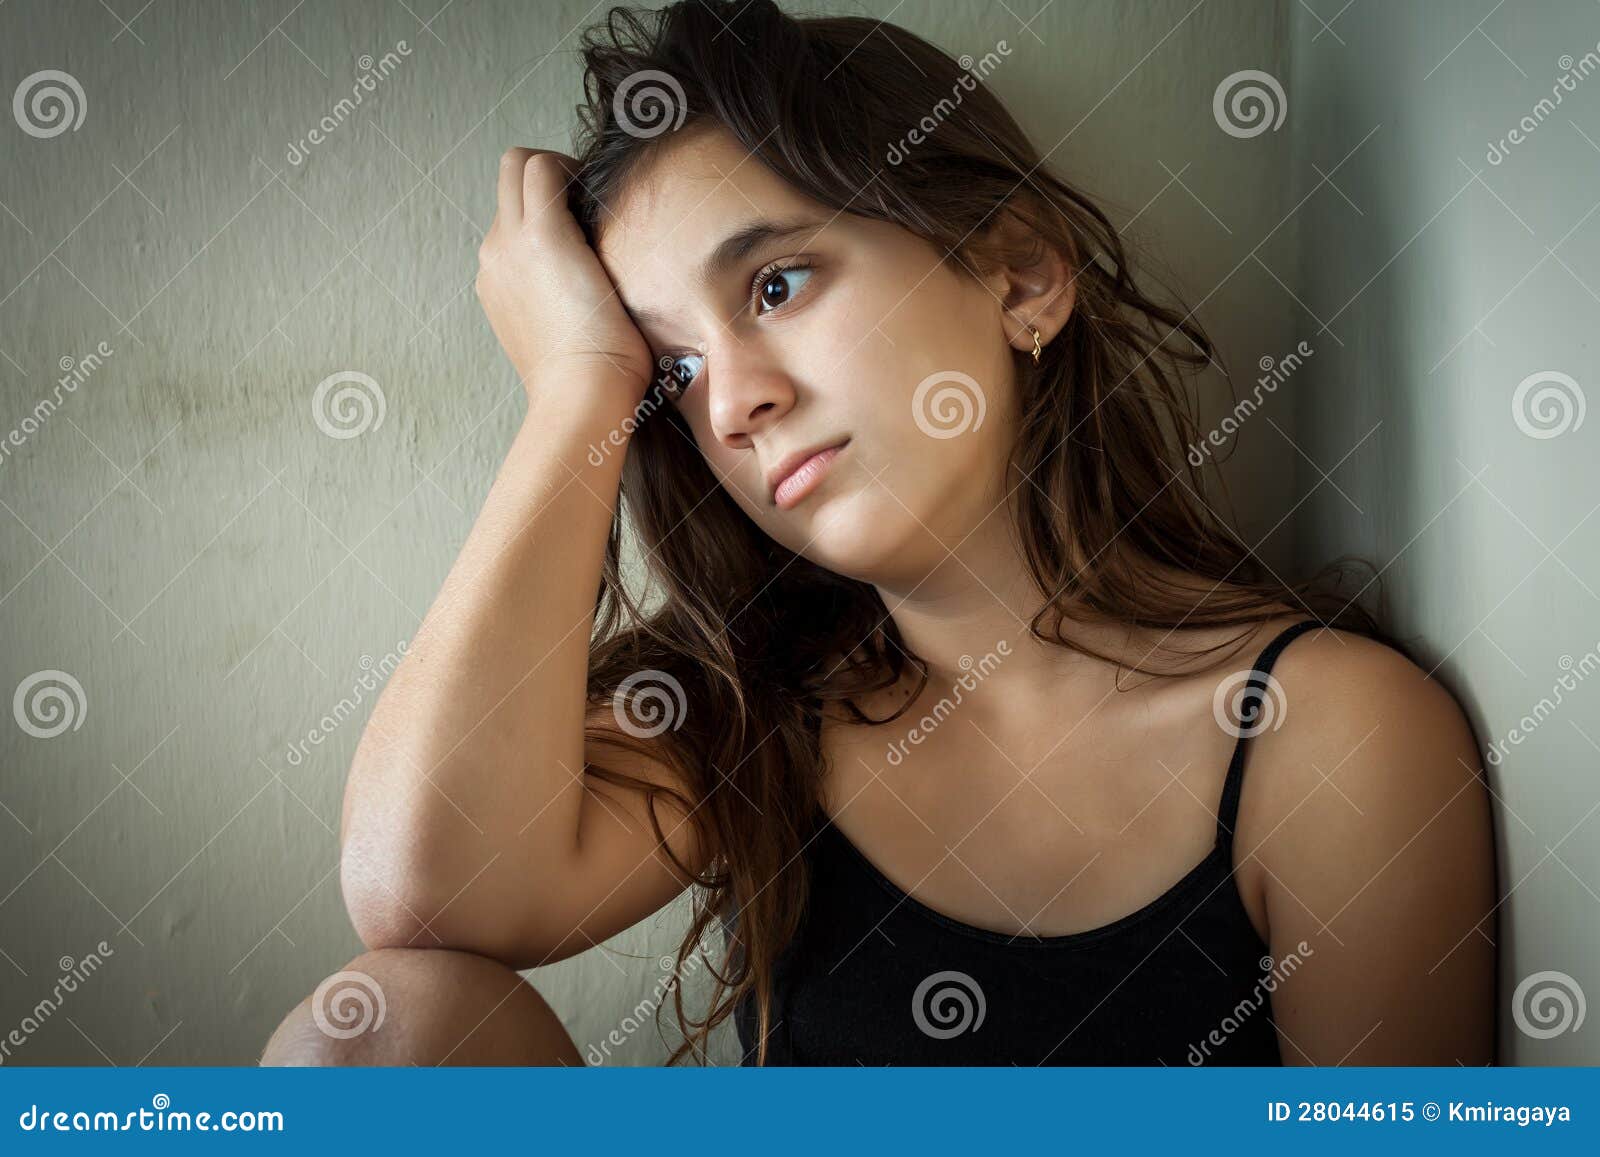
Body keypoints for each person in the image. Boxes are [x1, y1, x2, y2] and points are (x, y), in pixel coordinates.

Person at [262, 0, 1495, 1067]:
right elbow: (425, 897)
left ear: (1019, 276)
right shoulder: (753, 710)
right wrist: (578, 390)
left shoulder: (1326, 734)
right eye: (674, 370)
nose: (733, 402)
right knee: (379, 1033)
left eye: (776, 285)